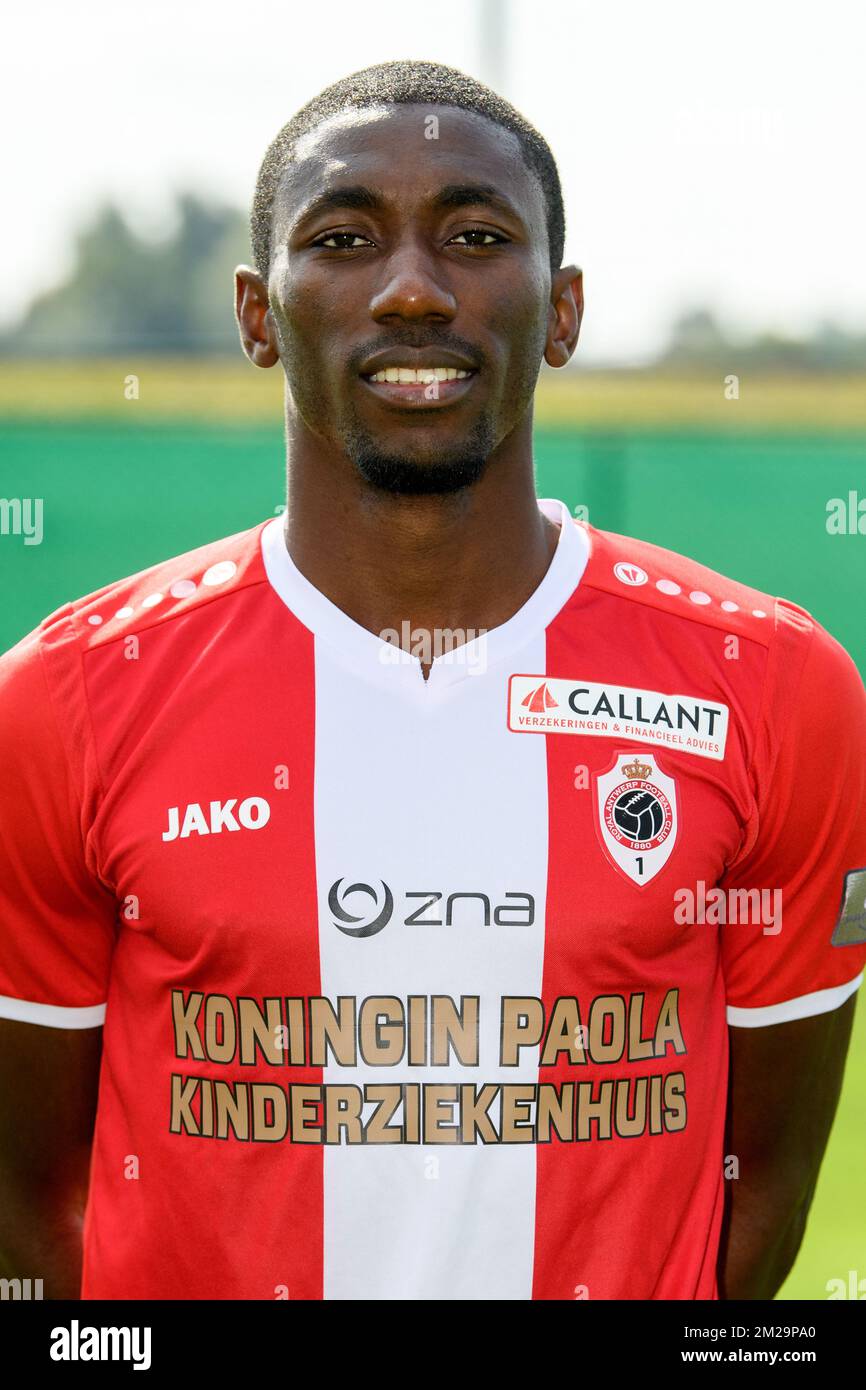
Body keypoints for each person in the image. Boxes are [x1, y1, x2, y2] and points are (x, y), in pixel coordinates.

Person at [1, 60, 865, 1302]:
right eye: (344, 239)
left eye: (473, 235)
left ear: (561, 311)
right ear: (258, 314)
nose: (410, 289)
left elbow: (762, 1186)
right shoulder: (62, 701)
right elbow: (35, 1207)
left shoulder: (774, 690)